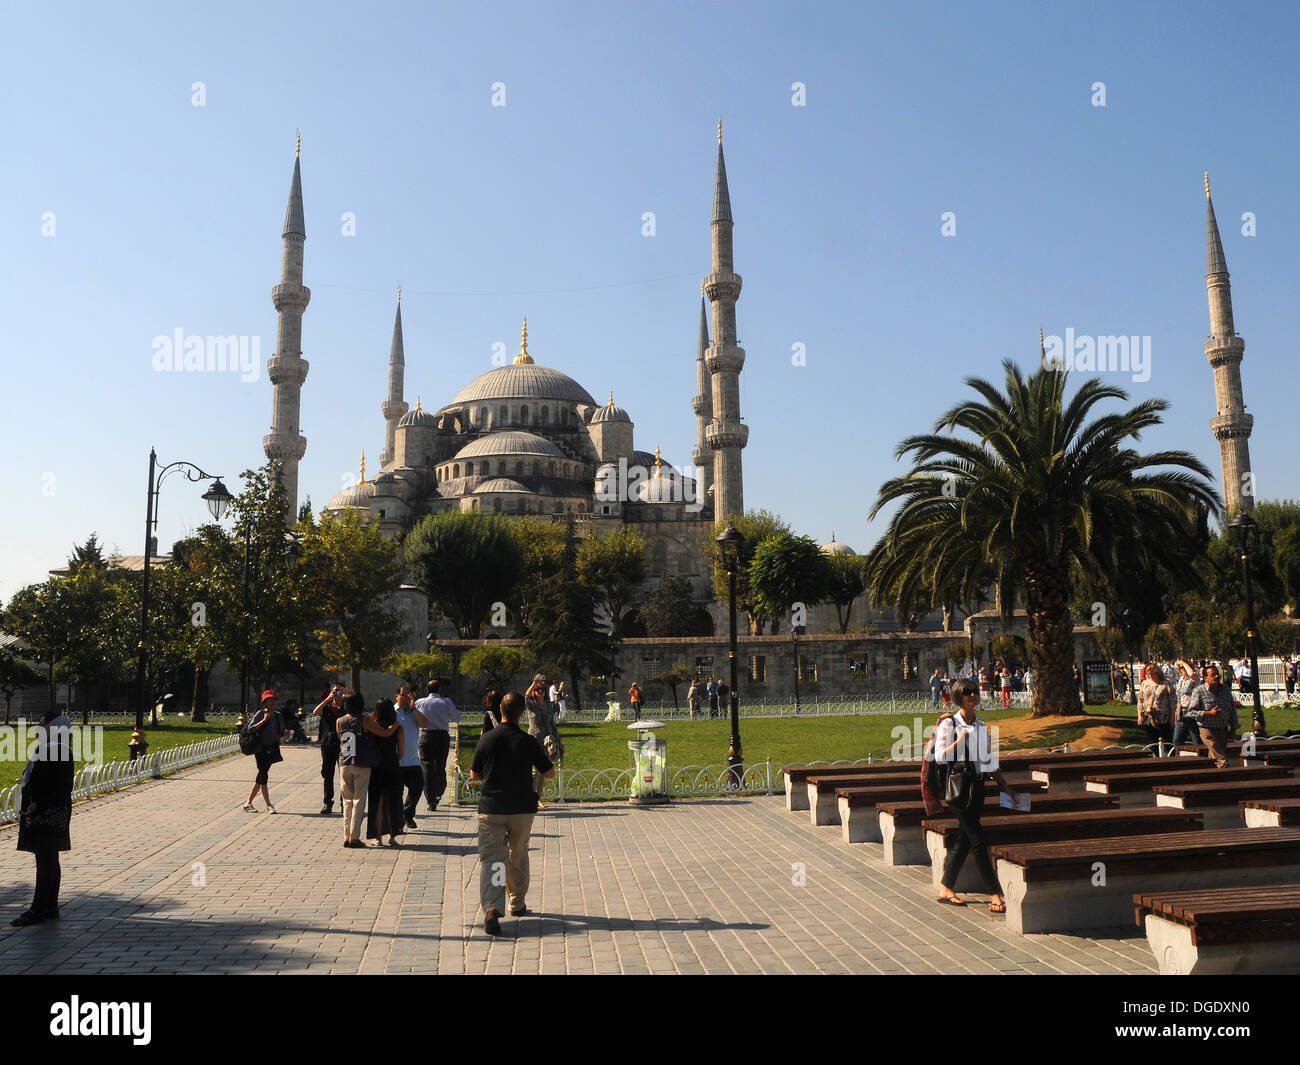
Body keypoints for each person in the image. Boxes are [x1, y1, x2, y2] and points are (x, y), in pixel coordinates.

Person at [471, 691, 555, 935]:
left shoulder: (487, 739)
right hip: (521, 808)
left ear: (501, 709)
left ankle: (493, 908)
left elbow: (475, 774)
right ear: (521, 713)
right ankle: (516, 903)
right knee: (518, 854)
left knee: (494, 859)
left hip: (492, 808)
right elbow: (548, 772)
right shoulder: (528, 741)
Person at [933, 678, 1013, 914]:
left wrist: (1004, 785)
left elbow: (988, 759)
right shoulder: (950, 724)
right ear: (959, 696)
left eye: (975, 691)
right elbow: (939, 757)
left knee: (965, 838)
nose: (972, 695)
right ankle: (994, 893)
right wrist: (960, 741)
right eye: (967, 692)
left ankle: (947, 887)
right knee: (978, 840)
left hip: (977, 788)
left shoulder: (980, 725)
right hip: (958, 790)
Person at [11, 704, 75, 926]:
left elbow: (57, 785)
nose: (38, 728)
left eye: (43, 724)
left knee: (45, 862)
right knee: (49, 860)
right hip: (49, 810)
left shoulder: (56, 750)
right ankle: (49, 907)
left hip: (46, 812)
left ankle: (39, 909)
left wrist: (37, 803)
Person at [336, 693, 397, 849]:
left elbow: (342, 740)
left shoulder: (339, 721)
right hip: (361, 763)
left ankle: (346, 836)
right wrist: (395, 725)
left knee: (347, 801)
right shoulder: (364, 720)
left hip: (344, 762)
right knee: (358, 800)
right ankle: (355, 837)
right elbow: (384, 733)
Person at [414, 679, 461, 814]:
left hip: (426, 736)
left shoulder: (421, 702)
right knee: (440, 766)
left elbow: (414, 716)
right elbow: (457, 718)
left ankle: (430, 800)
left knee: (427, 768)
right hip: (441, 737)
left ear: (427, 690)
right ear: (439, 689)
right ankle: (438, 793)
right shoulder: (446, 702)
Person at [366, 698, 405, 847]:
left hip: (375, 767)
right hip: (392, 766)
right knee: (392, 802)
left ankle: (377, 838)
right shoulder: (397, 728)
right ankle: (392, 836)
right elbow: (402, 751)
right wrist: (394, 760)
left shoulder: (371, 726)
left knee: (377, 803)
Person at [1181, 664, 1236, 769]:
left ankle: (1211, 779)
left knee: (1213, 759)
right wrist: (1208, 713)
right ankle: (1229, 778)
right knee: (1222, 761)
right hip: (1208, 731)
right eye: (1212, 675)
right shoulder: (1199, 691)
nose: (1216, 677)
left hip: (1223, 730)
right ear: (1205, 677)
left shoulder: (1225, 690)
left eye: (1217, 674)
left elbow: (1232, 710)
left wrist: (1233, 728)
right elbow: (1190, 712)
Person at [243, 691, 284, 813]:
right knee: (263, 775)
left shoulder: (278, 715)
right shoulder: (260, 714)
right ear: (264, 702)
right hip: (260, 749)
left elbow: (280, 732)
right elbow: (250, 729)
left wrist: (283, 732)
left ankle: (248, 803)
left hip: (272, 749)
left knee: (261, 775)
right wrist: (263, 721)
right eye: (269, 700)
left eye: (274, 700)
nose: (272, 702)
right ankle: (269, 805)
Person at [312, 685, 346, 814]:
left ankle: (344, 803)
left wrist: (346, 698)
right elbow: (315, 712)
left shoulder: (347, 707)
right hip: (328, 744)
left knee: (345, 775)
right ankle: (328, 803)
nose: (337, 693)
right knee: (328, 775)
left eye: (340, 690)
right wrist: (327, 700)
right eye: (335, 690)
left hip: (345, 745)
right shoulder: (327, 707)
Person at [395, 685, 425, 828]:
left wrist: (414, 709)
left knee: (418, 787)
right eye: (403, 694)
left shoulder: (415, 712)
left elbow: (425, 724)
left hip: (413, 760)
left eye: (410, 695)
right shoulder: (392, 712)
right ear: (396, 696)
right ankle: (399, 821)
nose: (407, 697)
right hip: (397, 761)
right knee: (397, 792)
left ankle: (407, 814)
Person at [1138, 662, 1176, 751]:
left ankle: (1171, 760)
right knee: (1153, 742)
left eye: (1152, 674)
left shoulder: (1166, 684)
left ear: (1157, 673)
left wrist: (1173, 717)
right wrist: (1139, 715)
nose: (1150, 676)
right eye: (1148, 674)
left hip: (1163, 717)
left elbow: (1173, 702)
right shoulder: (1144, 683)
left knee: (1167, 742)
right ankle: (1156, 760)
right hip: (1148, 716)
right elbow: (1140, 700)